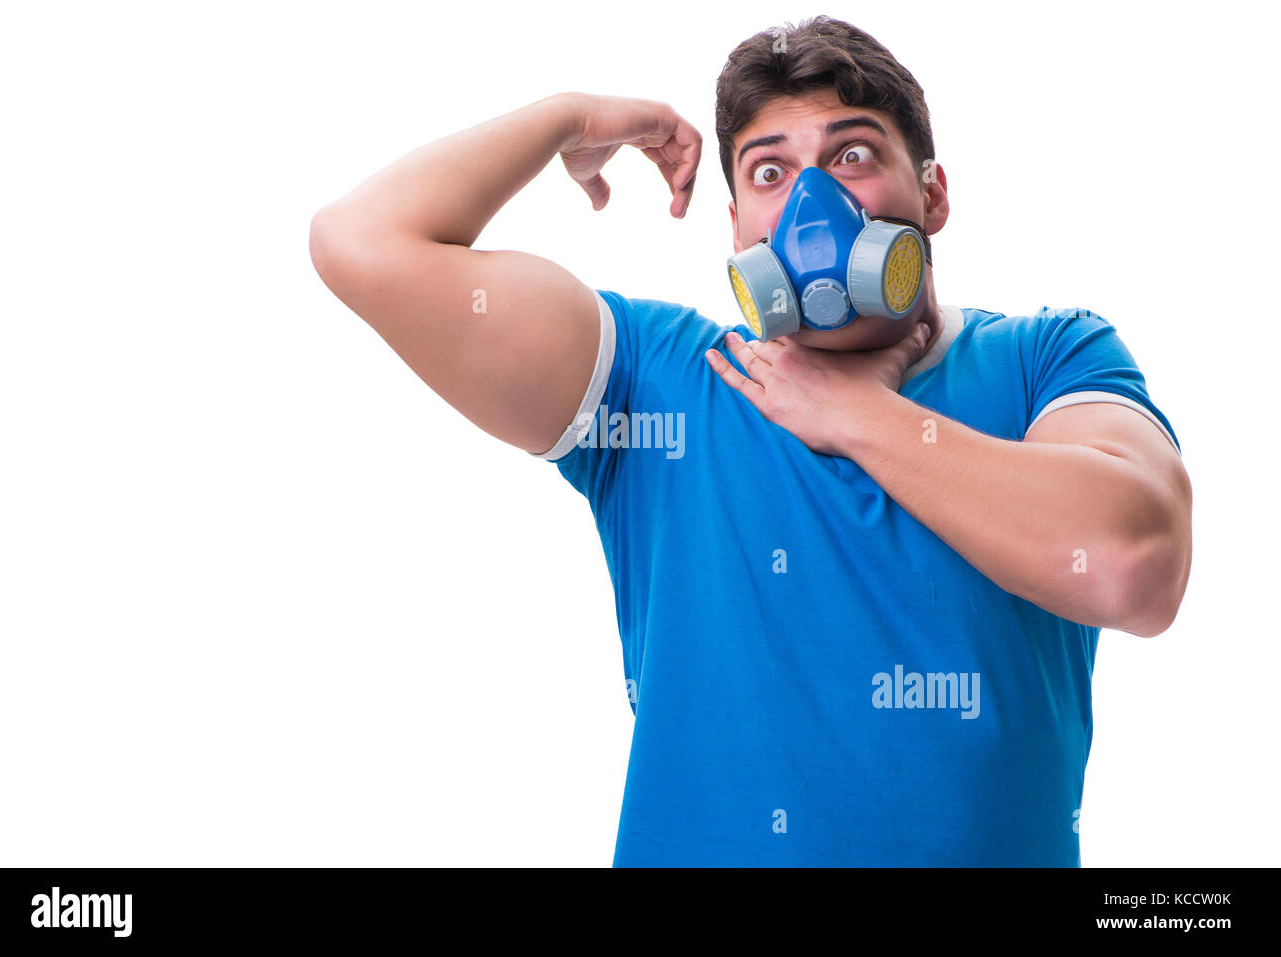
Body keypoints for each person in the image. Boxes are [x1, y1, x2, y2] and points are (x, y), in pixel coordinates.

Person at [308, 15, 1193, 866]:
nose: (816, 202)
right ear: (737, 227)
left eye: (851, 155)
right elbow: (362, 242)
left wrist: (857, 413)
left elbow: (1131, 565)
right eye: (770, 173)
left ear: (932, 192)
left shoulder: (1048, 356)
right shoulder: (659, 382)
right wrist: (567, 117)